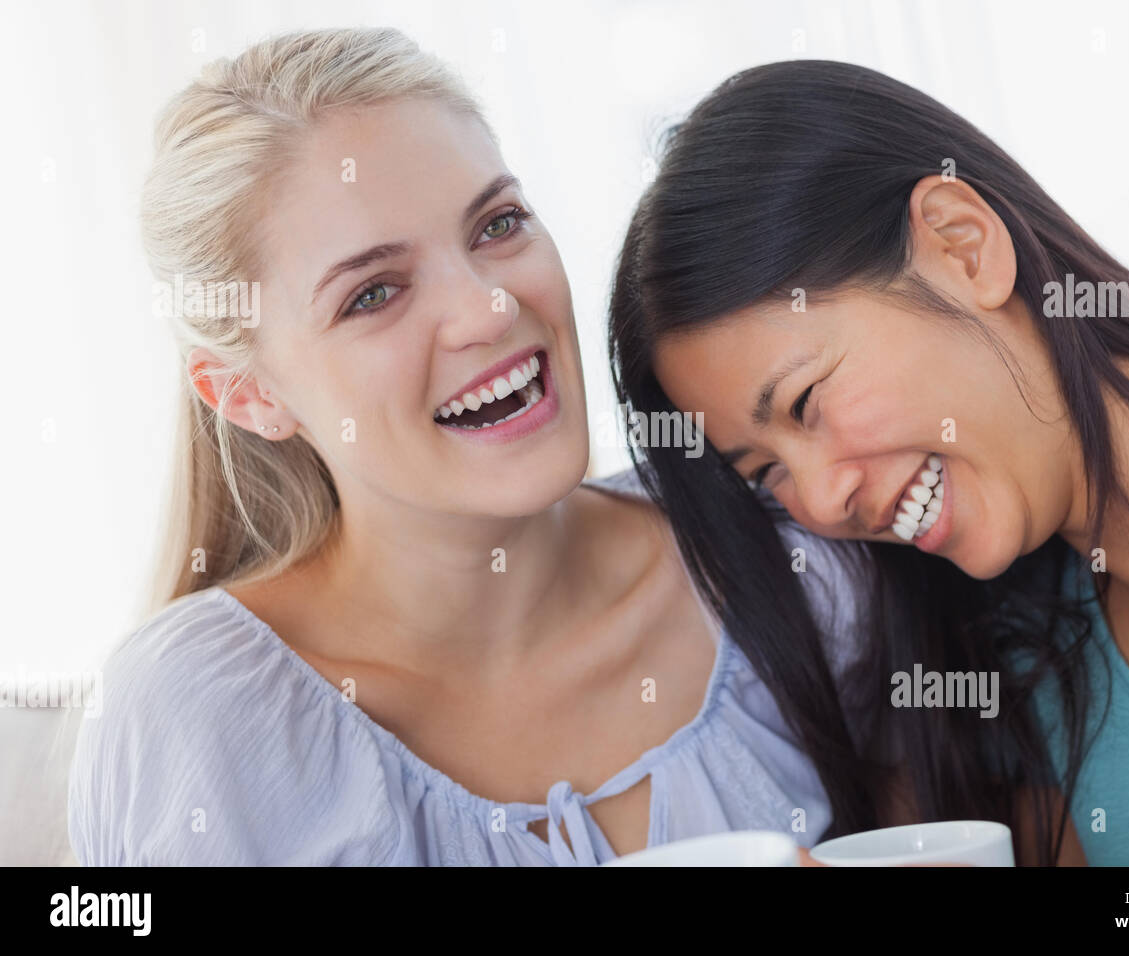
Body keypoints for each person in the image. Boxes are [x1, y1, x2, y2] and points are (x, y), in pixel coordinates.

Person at [66, 29, 872, 866]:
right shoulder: (196, 723)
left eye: (498, 224)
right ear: (248, 394)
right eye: (373, 293)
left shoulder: (793, 553)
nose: (488, 309)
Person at [610, 59, 1129, 865]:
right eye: (766, 473)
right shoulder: (1032, 663)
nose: (825, 501)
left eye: (805, 402)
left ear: (964, 248)